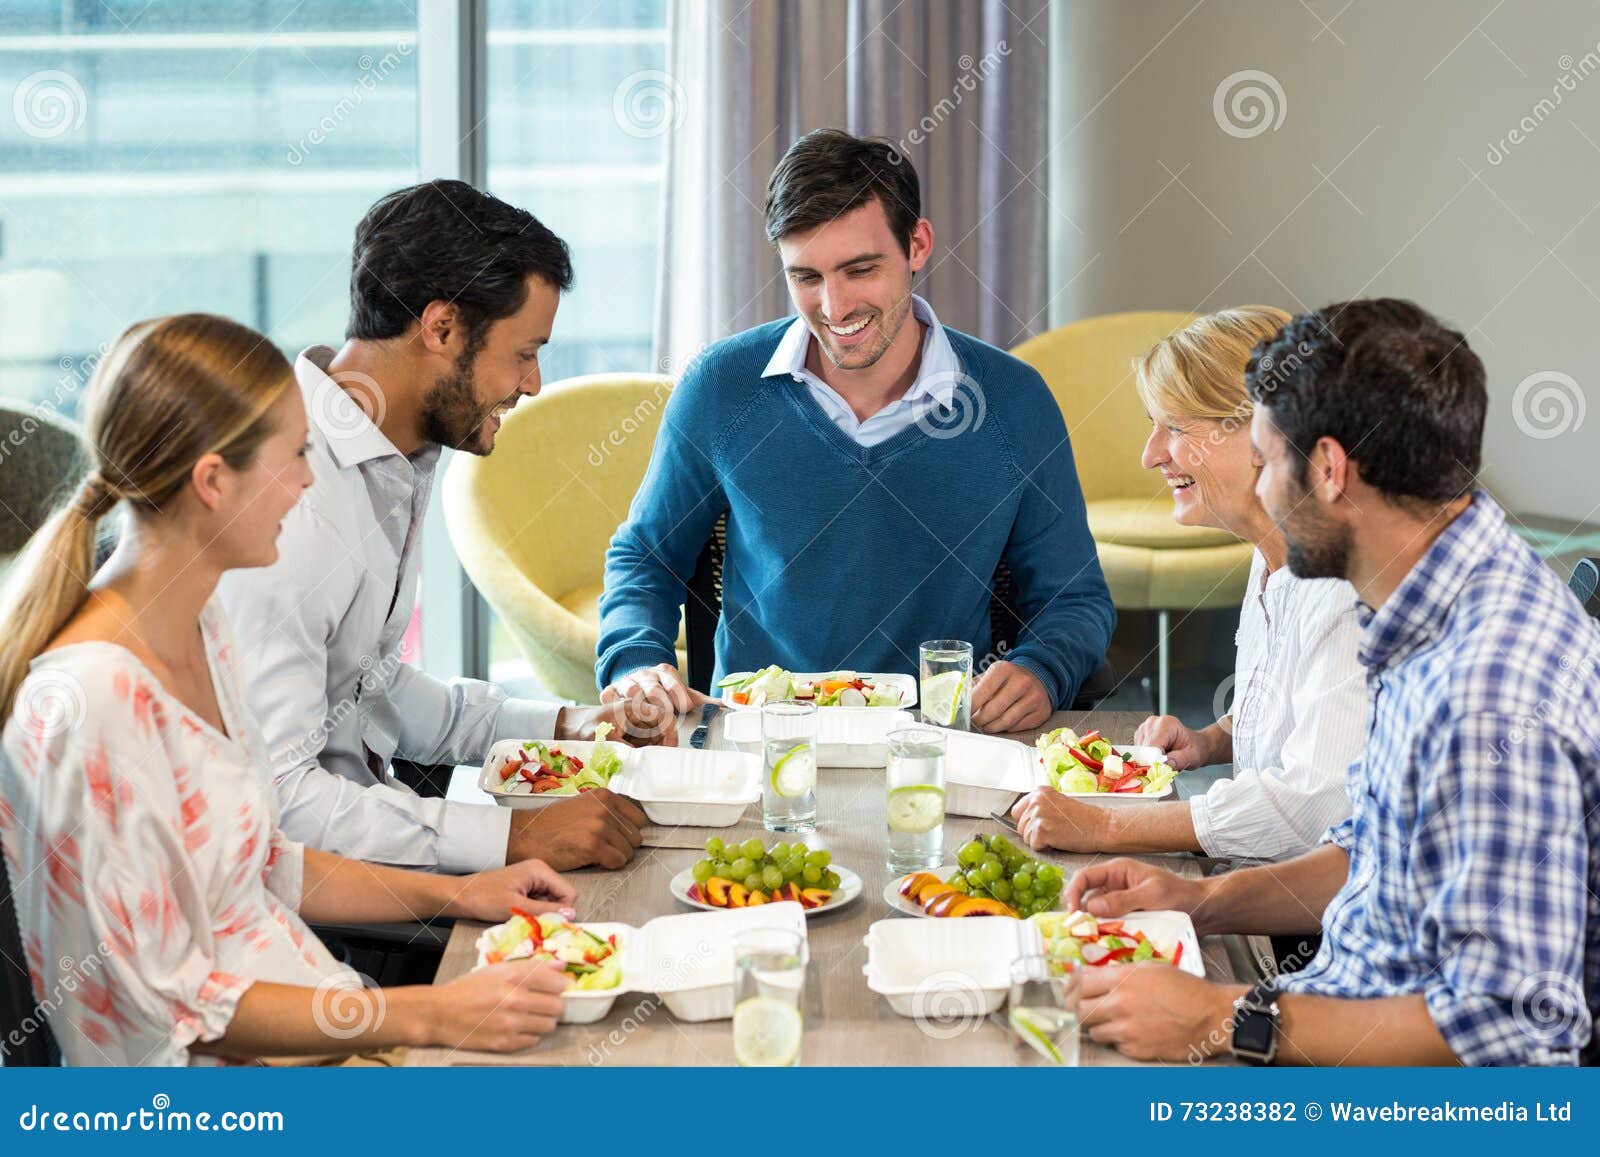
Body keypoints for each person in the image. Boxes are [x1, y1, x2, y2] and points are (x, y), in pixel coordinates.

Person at [0, 315, 581, 1065]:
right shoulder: (92, 704)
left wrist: (464, 892)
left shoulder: (202, 625)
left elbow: (262, 859)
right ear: (214, 482)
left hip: (316, 1025)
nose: (309, 480)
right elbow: (178, 1011)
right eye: (296, 455)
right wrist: (427, 1014)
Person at [1060, 299, 1600, 1066]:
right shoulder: (1427, 594)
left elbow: (1514, 1033)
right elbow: (1373, 854)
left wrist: (1223, 1017)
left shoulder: (1485, 689)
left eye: (1265, 459)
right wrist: (1200, 901)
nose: (1262, 492)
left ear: (1327, 470)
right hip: (1330, 994)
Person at [597, 129, 1114, 734]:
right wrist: (635, 659)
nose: (834, 307)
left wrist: (1043, 668)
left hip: (940, 742)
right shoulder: (721, 387)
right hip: (757, 743)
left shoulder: (1012, 402)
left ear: (917, 245)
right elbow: (645, 555)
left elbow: (1074, 597)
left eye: (860, 270)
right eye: (805, 277)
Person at [217, 180, 652, 876]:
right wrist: (513, 839)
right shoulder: (293, 503)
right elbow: (282, 801)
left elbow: (367, 687)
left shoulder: (389, 455)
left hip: (372, 836)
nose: (534, 383)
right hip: (311, 892)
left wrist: (564, 726)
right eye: (525, 352)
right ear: (441, 328)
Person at [1011, 307, 1367, 861]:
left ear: (1263, 432)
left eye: (1174, 427)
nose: (1150, 455)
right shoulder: (1272, 555)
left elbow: (1311, 808)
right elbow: (1297, 713)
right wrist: (1210, 740)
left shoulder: (1347, 590)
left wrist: (1106, 825)